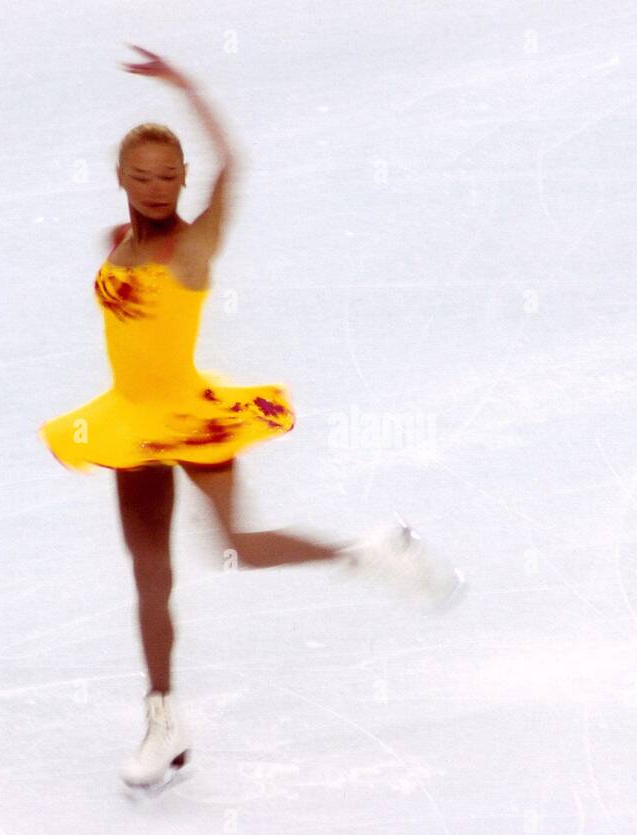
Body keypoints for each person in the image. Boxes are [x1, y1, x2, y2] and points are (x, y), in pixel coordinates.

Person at [38, 46, 465, 792]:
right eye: (142, 176)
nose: (157, 187)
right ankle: (163, 720)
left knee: (235, 543)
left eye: (169, 176)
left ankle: (368, 552)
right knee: (150, 574)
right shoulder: (117, 242)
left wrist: (189, 88)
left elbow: (235, 164)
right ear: (120, 180)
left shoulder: (191, 245)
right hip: (130, 420)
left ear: (183, 182)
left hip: (189, 417)